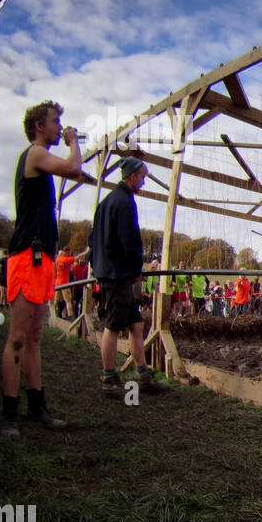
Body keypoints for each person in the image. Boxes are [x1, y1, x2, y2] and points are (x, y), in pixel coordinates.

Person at [0, 100, 82, 437]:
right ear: (39, 126)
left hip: (42, 259)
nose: (60, 126)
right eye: (56, 121)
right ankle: (9, 416)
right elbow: (74, 168)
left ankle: (37, 408)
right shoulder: (34, 154)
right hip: (26, 258)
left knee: (34, 338)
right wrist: (73, 140)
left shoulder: (39, 160)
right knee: (18, 339)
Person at [90, 158, 167, 398]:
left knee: (136, 324)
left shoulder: (106, 202)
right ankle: (109, 378)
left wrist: (96, 265)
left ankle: (143, 375)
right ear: (132, 176)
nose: (143, 182)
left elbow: (93, 240)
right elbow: (130, 240)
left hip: (109, 270)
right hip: (119, 274)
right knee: (113, 326)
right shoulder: (124, 201)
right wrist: (136, 270)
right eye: (142, 177)